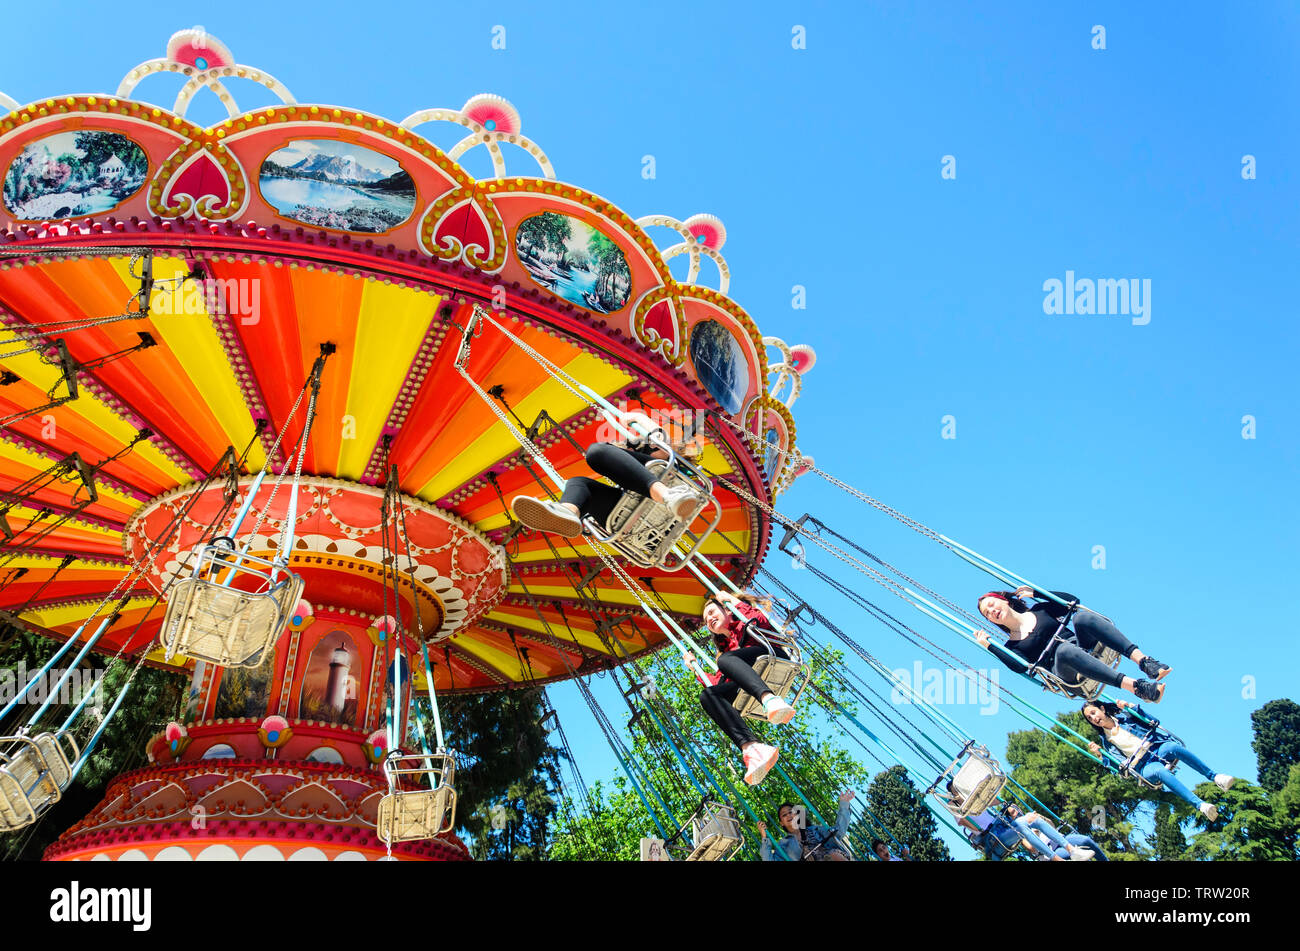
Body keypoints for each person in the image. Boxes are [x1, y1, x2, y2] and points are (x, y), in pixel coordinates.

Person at [510, 414, 702, 537]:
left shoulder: (674, 464)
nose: (647, 449)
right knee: (579, 483)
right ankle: (567, 511)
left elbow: (661, 441)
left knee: (598, 453)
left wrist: (637, 418)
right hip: (630, 515)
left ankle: (667, 495)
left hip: (667, 501)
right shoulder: (640, 469)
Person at [974, 587, 1171, 702]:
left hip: (1083, 649)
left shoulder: (1040, 610)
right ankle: (1136, 687)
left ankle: (1145, 662)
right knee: (1065, 650)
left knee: (1082, 618)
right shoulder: (1012, 646)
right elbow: (1018, 666)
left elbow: (1072, 601)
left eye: (991, 605)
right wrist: (990, 646)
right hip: (1066, 673)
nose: (991, 611)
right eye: (987, 614)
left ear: (1004, 601)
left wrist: (1038, 593)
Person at [685, 590, 794, 784]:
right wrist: (696, 669)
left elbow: (760, 621)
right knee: (708, 695)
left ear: (726, 611)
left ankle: (769, 699)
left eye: (711, 612)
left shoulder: (745, 620)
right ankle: (751, 748)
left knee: (726, 660)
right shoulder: (725, 653)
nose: (709, 619)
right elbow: (719, 683)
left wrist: (734, 601)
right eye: (705, 619)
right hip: (751, 673)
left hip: (771, 656)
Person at [1082, 698, 1234, 821]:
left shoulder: (1126, 717)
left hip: (1156, 747)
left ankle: (1214, 777)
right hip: (1143, 765)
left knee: (1174, 748)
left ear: (1102, 709)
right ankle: (1201, 805)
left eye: (1094, 713)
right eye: (1090, 718)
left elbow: (1153, 721)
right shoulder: (1106, 742)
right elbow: (1118, 769)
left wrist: (1133, 708)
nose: (1094, 718)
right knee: (1161, 772)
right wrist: (1101, 755)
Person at [758, 791, 855, 861]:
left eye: (791, 812)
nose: (788, 815)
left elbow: (837, 834)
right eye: (784, 815)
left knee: (835, 855)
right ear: (781, 823)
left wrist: (844, 804)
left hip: (833, 857)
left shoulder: (815, 830)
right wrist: (764, 837)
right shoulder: (784, 844)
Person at [1003, 803, 1107, 861]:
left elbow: (1052, 826)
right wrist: (1035, 831)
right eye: (1013, 812)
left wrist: (1041, 818)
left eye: (1016, 809)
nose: (1017, 812)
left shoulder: (1029, 816)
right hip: (1050, 852)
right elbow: (1032, 849)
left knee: (1086, 841)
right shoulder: (1019, 832)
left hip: (1061, 840)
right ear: (1011, 818)